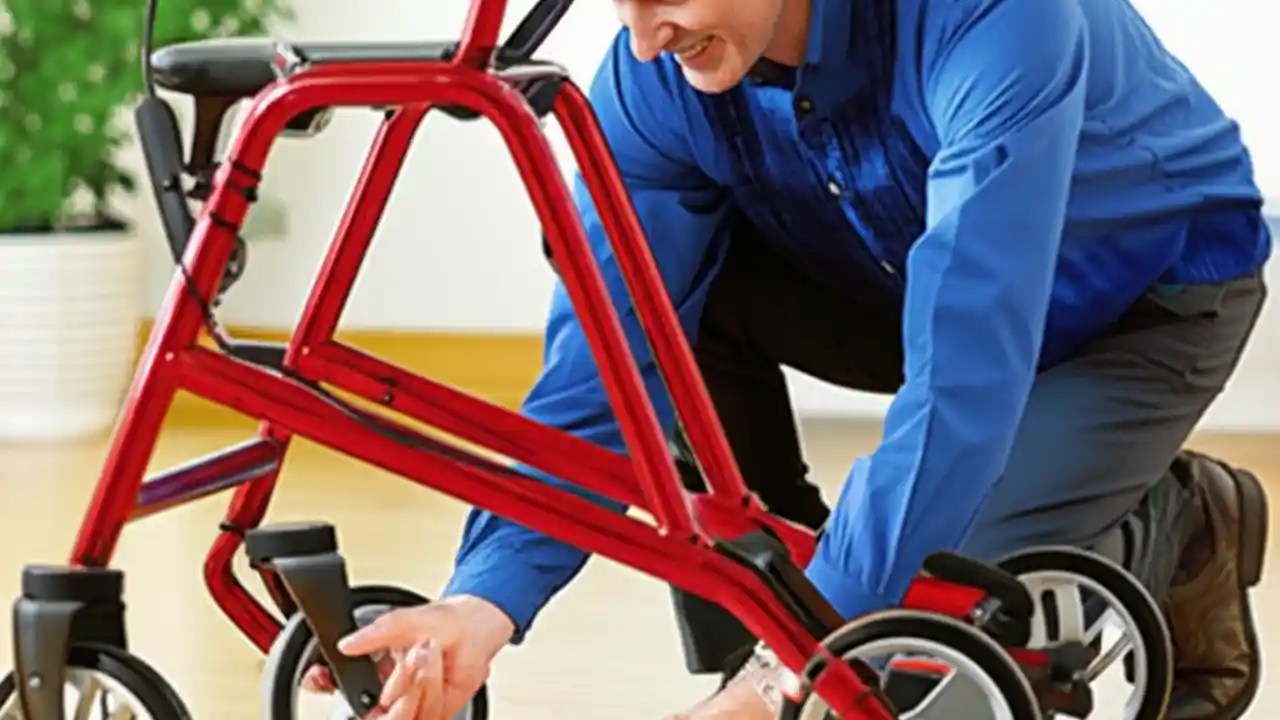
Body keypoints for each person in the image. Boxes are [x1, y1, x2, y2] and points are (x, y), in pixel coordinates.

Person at [311, 0, 1273, 717]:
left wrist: (802, 668)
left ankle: (1179, 519)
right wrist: (485, 600)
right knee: (668, 304)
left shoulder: (992, 18)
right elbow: (606, 356)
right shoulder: (655, 76)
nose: (646, 34)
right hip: (901, 286)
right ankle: (775, 637)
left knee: (948, 591)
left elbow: (968, 364)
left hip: (1145, 307)